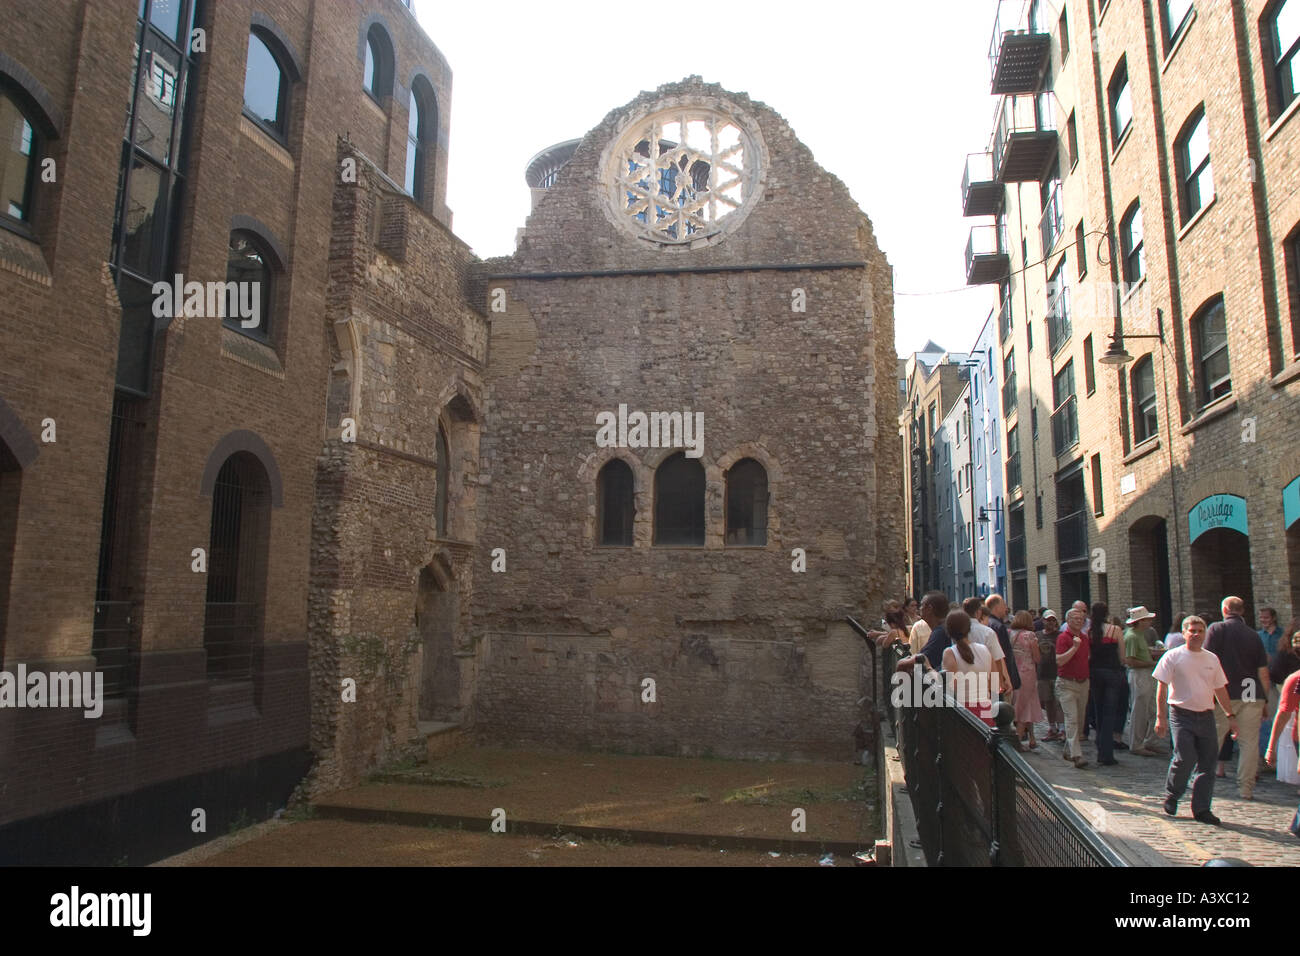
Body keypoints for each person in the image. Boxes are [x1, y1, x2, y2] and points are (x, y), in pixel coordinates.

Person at [1154, 615, 1239, 825]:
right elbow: (1162, 686)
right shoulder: (1173, 656)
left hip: (1206, 715)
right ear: (1183, 633)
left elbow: (1220, 688)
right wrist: (1160, 717)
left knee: (1208, 764)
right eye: (1192, 631)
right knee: (1185, 757)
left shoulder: (1211, 659)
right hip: (1181, 713)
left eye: (1200, 631)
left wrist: (1230, 715)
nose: (1196, 634)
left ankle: (1202, 808)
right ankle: (1173, 795)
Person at [1205, 596, 1271, 800]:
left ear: (1225, 609)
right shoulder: (1253, 635)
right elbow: (1262, 672)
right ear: (1242, 611)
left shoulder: (1216, 629)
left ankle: (1200, 780)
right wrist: (1266, 700)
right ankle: (1246, 788)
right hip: (1250, 691)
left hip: (1223, 692)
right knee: (1249, 742)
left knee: (1213, 740)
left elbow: (1206, 661)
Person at [942, 610, 995, 727]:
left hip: (964, 714)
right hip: (986, 709)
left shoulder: (950, 653)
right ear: (969, 628)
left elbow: (950, 689)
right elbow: (992, 684)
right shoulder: (985, 650)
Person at [1089, 602, 1127, 766]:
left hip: (1095, 673)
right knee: (1110, 712)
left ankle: (1099, 745)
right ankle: (1106, 752)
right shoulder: (1115, 630)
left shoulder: (1090, 632)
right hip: (1112, 672)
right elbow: (1122, 656)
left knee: (1098, 711)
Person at [1123, 606, 1162, 755]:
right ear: (1140, 621)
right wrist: (1153, 663)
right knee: (1139, 711)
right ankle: (1136, 744)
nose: (1150, 621)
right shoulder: (1132, 636)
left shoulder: (1139, 634)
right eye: (1147, 619)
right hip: (1139, 674)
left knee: (1152, 709)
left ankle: (1150, 741)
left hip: (1145, 673)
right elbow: (1130, 661)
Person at [1056, 607, 1092, 769]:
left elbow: (1087, 658)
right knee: (1072, 720)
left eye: (1081, 619)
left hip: (1083, 683)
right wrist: (1074, 648)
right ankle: (1077, 755)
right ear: (1068, 621)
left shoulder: (1085, 638)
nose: (1079, 621)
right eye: (1075, 619)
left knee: (1079, 720)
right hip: (1067, 684)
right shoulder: (1063, 638)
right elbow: (1059, 661)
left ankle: (1068, 750)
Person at [1266, 628, 1300, 790]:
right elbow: (1283, 713)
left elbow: (1283, 714)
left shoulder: (1295, 680)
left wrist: (1271, 748)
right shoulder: (1295, 680)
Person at [964, 597, 1011, 700]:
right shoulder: (987, 632)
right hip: (988, 681)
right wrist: (1001, 682)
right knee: (991, 713)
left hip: (965, 681)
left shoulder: (958, 632)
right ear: (979, 612)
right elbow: (997, 658)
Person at [1009, 610, 1043, 747]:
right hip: (1028, 673)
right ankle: (1017, 739)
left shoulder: (1010, 634)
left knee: (1021, 703)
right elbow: (1037, 658)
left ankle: (1031, 738)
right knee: (1024, 705)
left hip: (1014, 672)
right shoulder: (1030, 636)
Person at [1258, 606, 1284, 760]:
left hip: (1280, 680)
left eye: (1266, 617)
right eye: (1261, 618)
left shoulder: (1281, 635)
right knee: (1267, 718)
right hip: (1265, 681)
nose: (1263, 620)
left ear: (1273, 618)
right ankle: (1268, 753)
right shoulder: (1258, 635)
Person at [985, 594, 1020, 702]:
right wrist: (1005, 679)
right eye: (1004, 605)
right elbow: (1003, 656)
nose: (1006, 608)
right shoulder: (998, 626)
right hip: (1000, 679)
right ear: (996, 607)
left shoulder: (987, 624)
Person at [1037, 611, 1064, 741]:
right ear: (1043, 621)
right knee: (1048, 702)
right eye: (1049, 620)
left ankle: (1062, 728)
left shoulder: (1060, 635)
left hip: (1057, 673)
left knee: (1059, 702)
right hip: (1043, 674)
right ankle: (1052, 727)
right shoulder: (1038, 635)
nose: (1051, 623)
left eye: (1053, 620)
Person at [910, 592, 947, 657]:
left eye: (922, 605)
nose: (920, 608)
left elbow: (922, 659)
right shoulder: (943, 629)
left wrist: (903, 663)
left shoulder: (940, 633)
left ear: (929, 609)